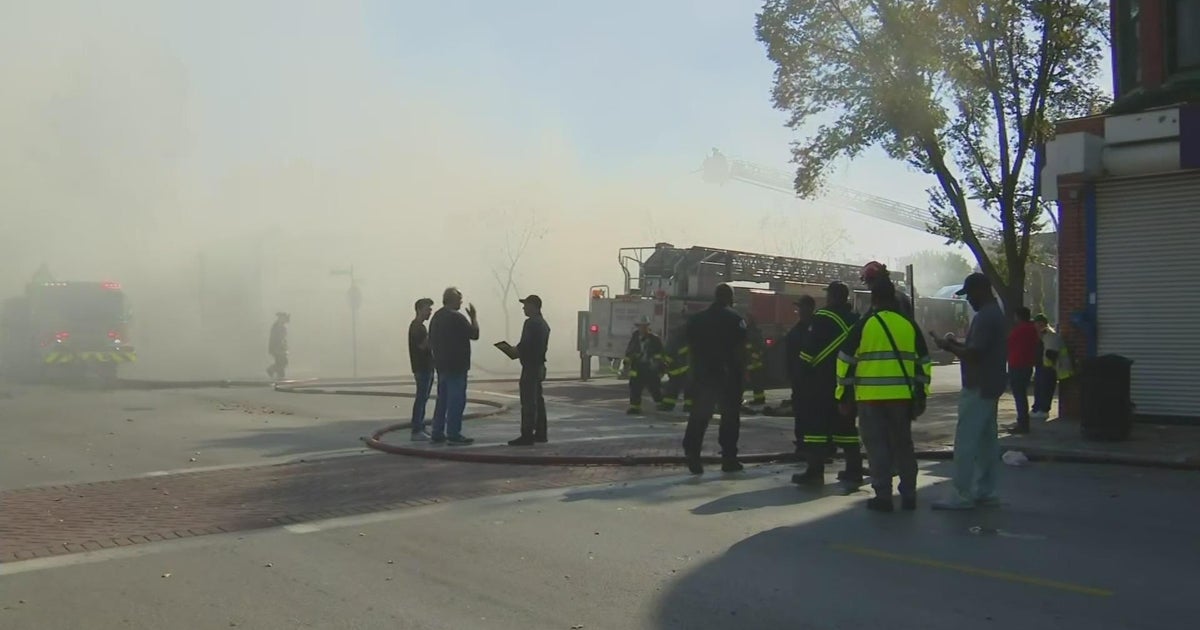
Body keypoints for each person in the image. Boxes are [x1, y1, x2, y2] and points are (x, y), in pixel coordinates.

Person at [835, 279, 930, 512]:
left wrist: (844, 395)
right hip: (902, 399)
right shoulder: (909, 325)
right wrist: (921, 395)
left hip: (870, 399)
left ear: (873, 299)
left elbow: (845, 360)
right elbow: (924, 363)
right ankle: (909, 495)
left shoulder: (864, 324)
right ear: (894, 298)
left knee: (877, 447)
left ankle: (883, 497)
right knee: (903, 446)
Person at [932, 272, 1008, 510]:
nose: (968, 300)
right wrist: (954, 345)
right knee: (986, 443)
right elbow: (978, 349)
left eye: (970, 295)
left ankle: (960, 494)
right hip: (991, 385)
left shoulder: (985, 317)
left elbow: (974, 355)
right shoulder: (995, 314)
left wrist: (949, 348)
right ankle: (986, 491)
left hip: (978, 386)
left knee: (966, 442)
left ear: (980, 291)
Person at [795, 281, 863, 487]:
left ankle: (815, 471)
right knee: (847, 427)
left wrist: (801, 374)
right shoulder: (856, 320)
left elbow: (808, 352)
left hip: (821, 383)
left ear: (832, 297)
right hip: (848, 382)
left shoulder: (822, 317)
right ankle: (854, 470)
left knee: (816, 428)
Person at [681, 283, 748, 475]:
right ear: (729, 298)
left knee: (699, 415)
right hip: (728, 376)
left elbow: (689, 346)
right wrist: (742, 375)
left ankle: (692, 452)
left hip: (703, 375)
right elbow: (741, 350)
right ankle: (729, 458)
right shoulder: (736, 319)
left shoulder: (697, 319)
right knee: (730, 418)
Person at [428, 287, 479, 445]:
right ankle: (453, 434)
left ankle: (437, 432)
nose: (461, 302)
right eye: (459, 299)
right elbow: (474, 334)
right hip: (457, 366)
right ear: (452, 300)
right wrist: (473, 317)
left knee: (442, 401)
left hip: (442, 366)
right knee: (456, 401)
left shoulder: (436, 317)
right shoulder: (457, 317)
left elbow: (431, 340)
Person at [508, 295, 551, 446]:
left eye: (526, 305)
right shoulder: (543, 324)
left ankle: (527, 435)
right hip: (539, 365)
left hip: (530, 366)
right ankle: (541, 433)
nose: (523, 308)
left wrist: (513, 351)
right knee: (538, 400)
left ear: (533, 306)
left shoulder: (531, 323)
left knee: (528, 401)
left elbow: (525, 345)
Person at [783, 295, 817, 433]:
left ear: (810, 308)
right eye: (798, 308)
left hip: (815, 379)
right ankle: (800, 438)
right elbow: (789, 356)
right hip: (798, 380)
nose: (799, 311)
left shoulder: (818, 328)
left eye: (801, 307)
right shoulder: (795, 331)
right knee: (800, 411)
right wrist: (791, 375)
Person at [1032, 314, 1073, 420]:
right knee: (1039, 389)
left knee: (1045, 389)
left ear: (1043, 324)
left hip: (1048, 368)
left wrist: (1047, 366)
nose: (1036, 327)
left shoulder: (1049, 335)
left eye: (1038, 324)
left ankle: (1043, 410)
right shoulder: (1043, 335)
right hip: (1043, 367)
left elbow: (1051, 354)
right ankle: (1037, 409)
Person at [1006, 307, 1039, 434]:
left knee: (1019, 395)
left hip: (1017, 365)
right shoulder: (1032, 329)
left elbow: (1009, 343)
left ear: (1018, 316)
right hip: (1027, 364)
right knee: (1022, 395)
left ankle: (1022, 423)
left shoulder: (1019, 330)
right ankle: (1023, 422)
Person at [624, 316, 665, 415]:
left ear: (648, 326)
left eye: (645, 326)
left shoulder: (655, 339)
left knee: (654, 388)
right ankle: (635, 408)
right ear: (638, 326)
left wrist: (661, 369)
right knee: (635, 389)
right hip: (637, 368)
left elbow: (661, 355)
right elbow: (629, 352)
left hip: (650, 368)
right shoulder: (635, 338)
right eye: (641, 326)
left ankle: (661, 405)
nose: (642, 328)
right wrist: (626, 365)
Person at [408, 298, 435, 441]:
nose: (430, 312)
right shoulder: (417, 327)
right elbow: (423, 346)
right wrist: (434, 335)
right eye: (427, 309)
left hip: (426, 367)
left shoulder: (420, 327)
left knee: (423, 398)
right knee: (421, 398)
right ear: (419, 310)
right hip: (422, 367)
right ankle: (416, 429)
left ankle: (420, 426)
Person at [659, 313, 693, 413]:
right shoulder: (685, 334)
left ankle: (668, 405)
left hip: (678, 367)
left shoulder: (677, 333)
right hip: (683, 367)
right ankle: (687, 407)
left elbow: (669, 351)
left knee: (674, 388)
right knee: (686, 388)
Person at [743, 316, 768, 410]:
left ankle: (759, 399)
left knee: (755, 382)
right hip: (756, 361)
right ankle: (759, 398)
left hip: (753, 362)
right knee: (757, 382)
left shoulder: (749, 332)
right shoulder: (756, 331)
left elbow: (750, 346)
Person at [266, 312, 289, 380]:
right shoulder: (277, 326)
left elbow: (283, 337)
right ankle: (273, 371)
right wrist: (280, 346)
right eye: (284, 317)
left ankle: (277, 373)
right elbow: (276, 338)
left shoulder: (280, 325)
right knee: (281, 362)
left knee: (282, 362)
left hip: (280, 347)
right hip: (277, 347)